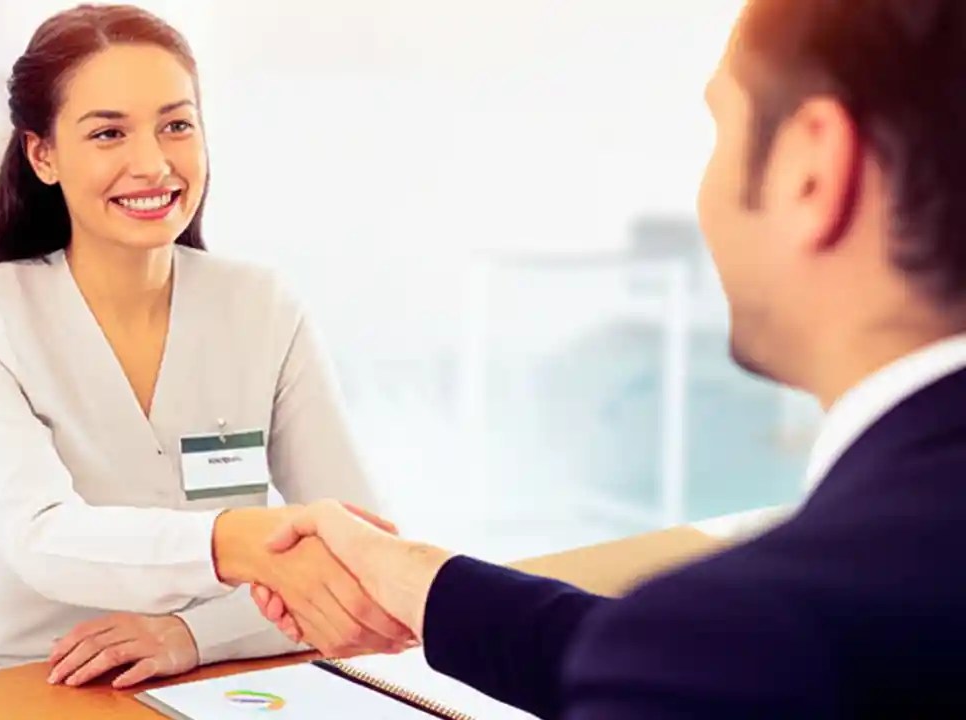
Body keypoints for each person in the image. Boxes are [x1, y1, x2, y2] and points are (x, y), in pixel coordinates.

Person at [255, 0, 966, 716]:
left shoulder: (764, 634)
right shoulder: (847, 598)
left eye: (721, 129)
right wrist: (415, 581)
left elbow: (708, 662)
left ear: (810, 170)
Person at [0, 4, 407, 689]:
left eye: (176, 125)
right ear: (43, 154)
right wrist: (239, 545)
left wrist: (193, 635)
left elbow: (359, 551)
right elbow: (42, 539)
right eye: (108, 133)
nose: (151, 164)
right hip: (24, 679)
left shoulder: (261, 306)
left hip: (218, 675)